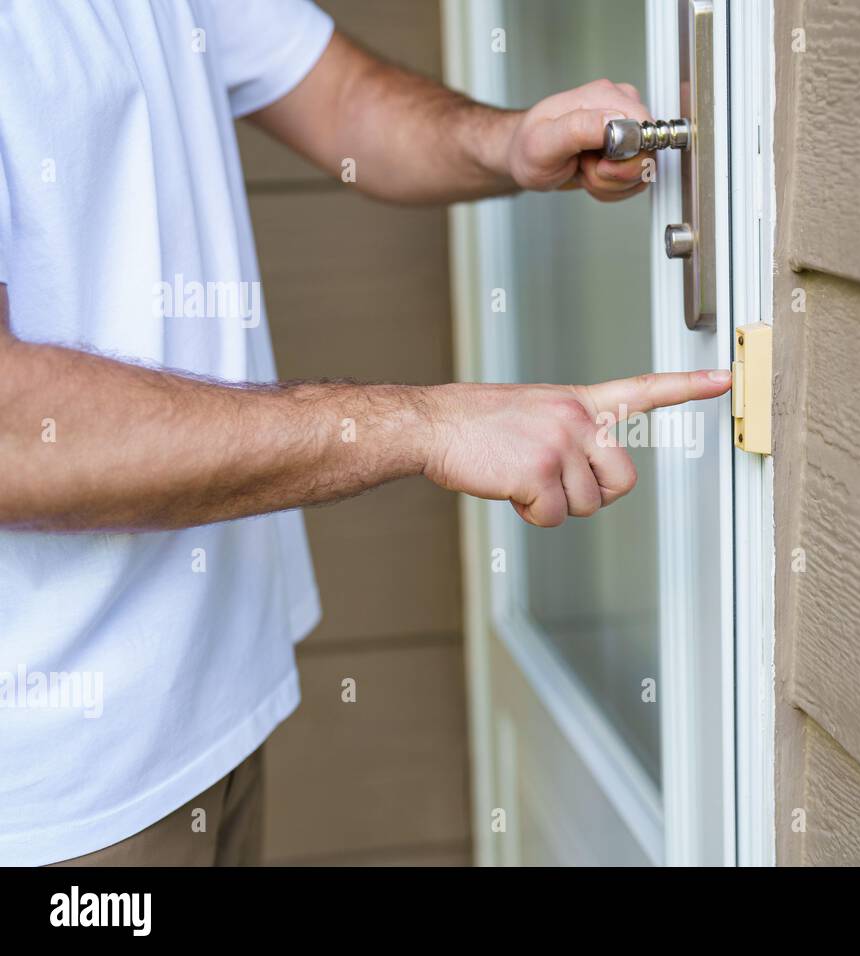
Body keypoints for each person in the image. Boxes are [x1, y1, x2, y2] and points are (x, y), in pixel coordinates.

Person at [0, 0, 731, 866]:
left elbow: (340, 99)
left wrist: (506, 142)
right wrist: (426, 424)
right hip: (55, 794)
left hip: (204, 706)